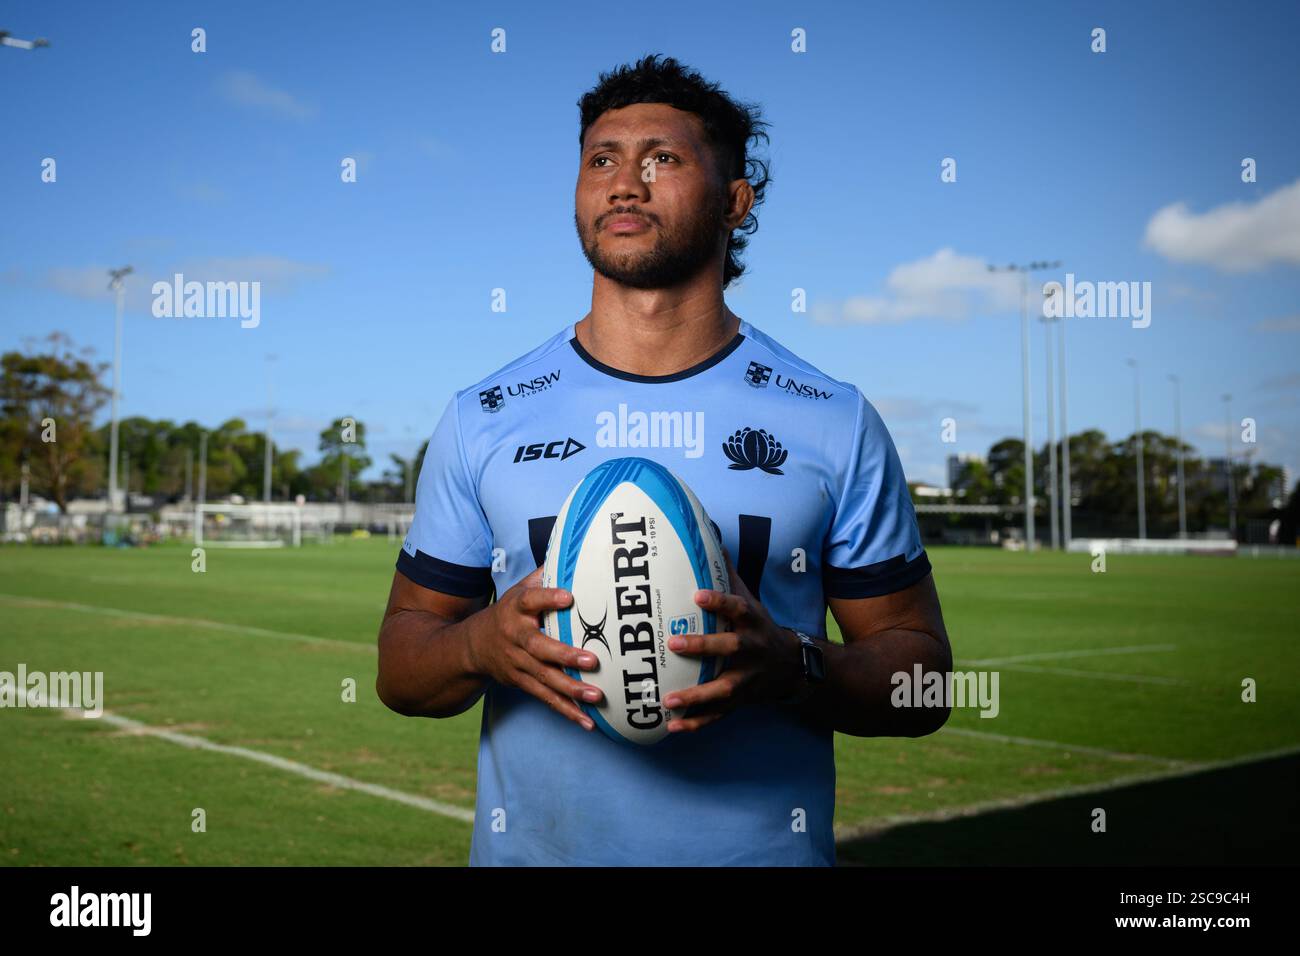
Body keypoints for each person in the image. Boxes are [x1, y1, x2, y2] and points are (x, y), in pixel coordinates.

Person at [377, 54, 952, 866]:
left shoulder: (832, 419)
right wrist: (478, 647)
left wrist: (793, 664)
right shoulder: (486, 417)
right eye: (602, 160)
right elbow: (400, 668)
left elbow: (923, 683)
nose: (624, 184)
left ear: (735, 201)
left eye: (663, 159)